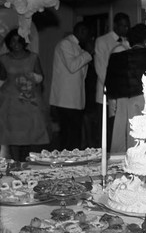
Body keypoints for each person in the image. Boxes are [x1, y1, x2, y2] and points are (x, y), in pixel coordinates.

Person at [105, 23, 146, 153]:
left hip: (122, 102)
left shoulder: (116, 57)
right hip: (145, 102)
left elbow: (109, 84)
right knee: (144, 141)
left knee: (122, 139)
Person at [0, 28, 49, 161]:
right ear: (8, 43)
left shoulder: (33, 57)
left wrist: (31, 77)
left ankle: (27, 163)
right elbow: (2, 78)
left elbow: (40, 77)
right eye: (12, 41)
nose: (15, 44)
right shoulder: (4, 59)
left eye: (18, 41)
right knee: (13, 136)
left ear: (24, 41)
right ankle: (15, 164)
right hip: (10, 102)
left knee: (30, 135)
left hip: (28, 100)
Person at [50, 22, 94, 150]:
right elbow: (72, 66)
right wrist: (88, 54)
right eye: (87, 33)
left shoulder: (78, 47)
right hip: (65, 100)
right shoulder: (65, 44)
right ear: (81, 31)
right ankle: (65, 164)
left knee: (75, 136)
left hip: (76, 99)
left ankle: (73, 162)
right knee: (68, 137)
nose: (88, 37)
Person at [94, 12, 130, 148]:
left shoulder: (126, 42)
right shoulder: (102, 41)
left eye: (127, 26)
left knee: (118, 130)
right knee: (104, 131)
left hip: (121, 94)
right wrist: (112, 89)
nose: (125, 29)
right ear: (115, 25)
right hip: (105, 92)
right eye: (123, 26)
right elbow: (101, 68)